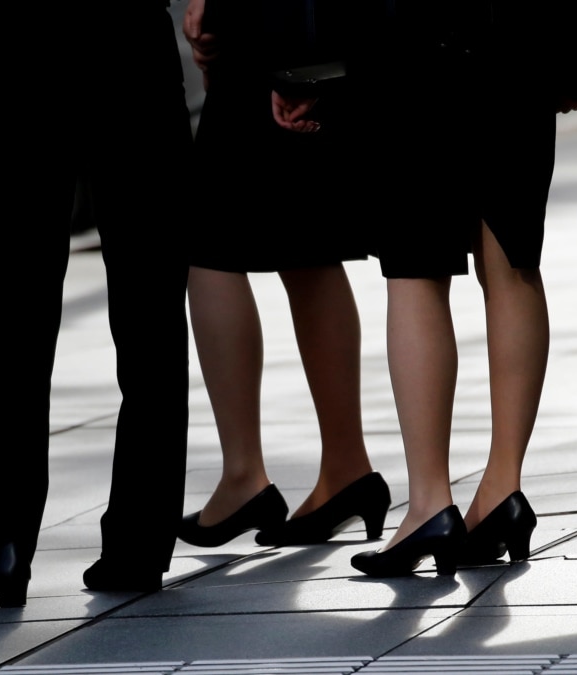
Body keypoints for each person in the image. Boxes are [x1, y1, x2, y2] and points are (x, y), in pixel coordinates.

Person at [0, 1, 193, 608]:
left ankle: (1, 547)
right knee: (151, 309)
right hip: (129, 41)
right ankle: (138, 546)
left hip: (24, 44)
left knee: (16, 315)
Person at [346, 0, 577, 577]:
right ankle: (503, 486)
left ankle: (431, 500)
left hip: (408, 34)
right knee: (511, 262)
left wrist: (313, 62)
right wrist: (566, 47)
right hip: (519, 27)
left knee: (415, 268)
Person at [175, 0, 390, 550]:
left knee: (210, 242)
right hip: (302, 22)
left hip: (269, 19)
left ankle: (247, 474)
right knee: (306, 241)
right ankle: (345, 467)